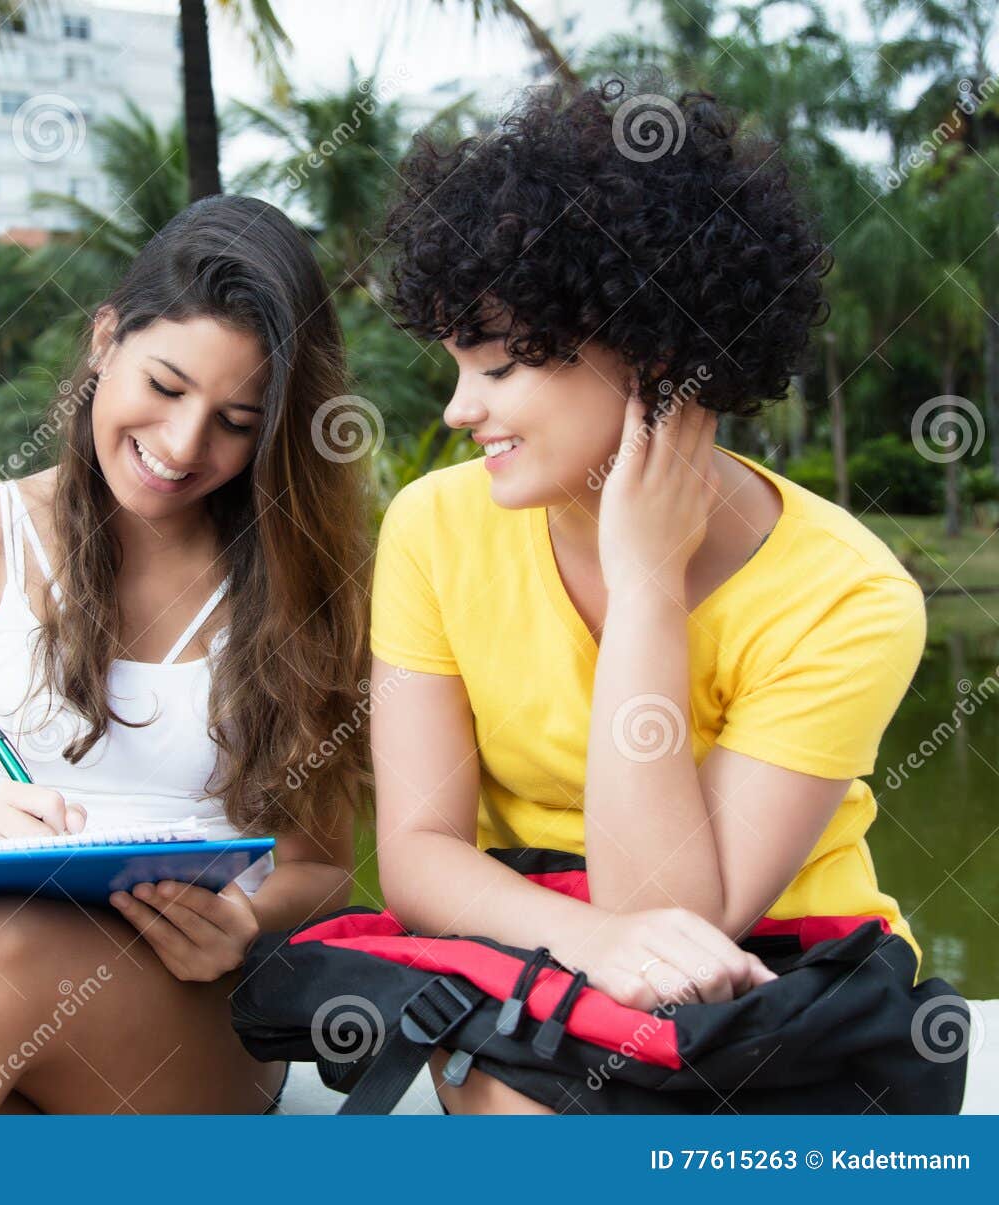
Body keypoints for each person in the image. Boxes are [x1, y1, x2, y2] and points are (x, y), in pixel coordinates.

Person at [370, 80, 925, 1115]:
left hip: (780, 993)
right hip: (539, 956)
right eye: (453, 366)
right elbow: (416, 854)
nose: (456, 410)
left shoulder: (850, 597)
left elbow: (674, 913)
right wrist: (590, 940)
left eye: (494, 368)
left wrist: (642, 583)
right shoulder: (432, 530)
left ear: (656, 364)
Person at [0, 194, 370, 1114]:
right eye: (166, 388)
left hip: (190, 1015)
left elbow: (324, 865)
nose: (182, 446)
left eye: (237, 420)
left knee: (3, 953)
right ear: (106, 341)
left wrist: (246, 919)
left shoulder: (305, 579)